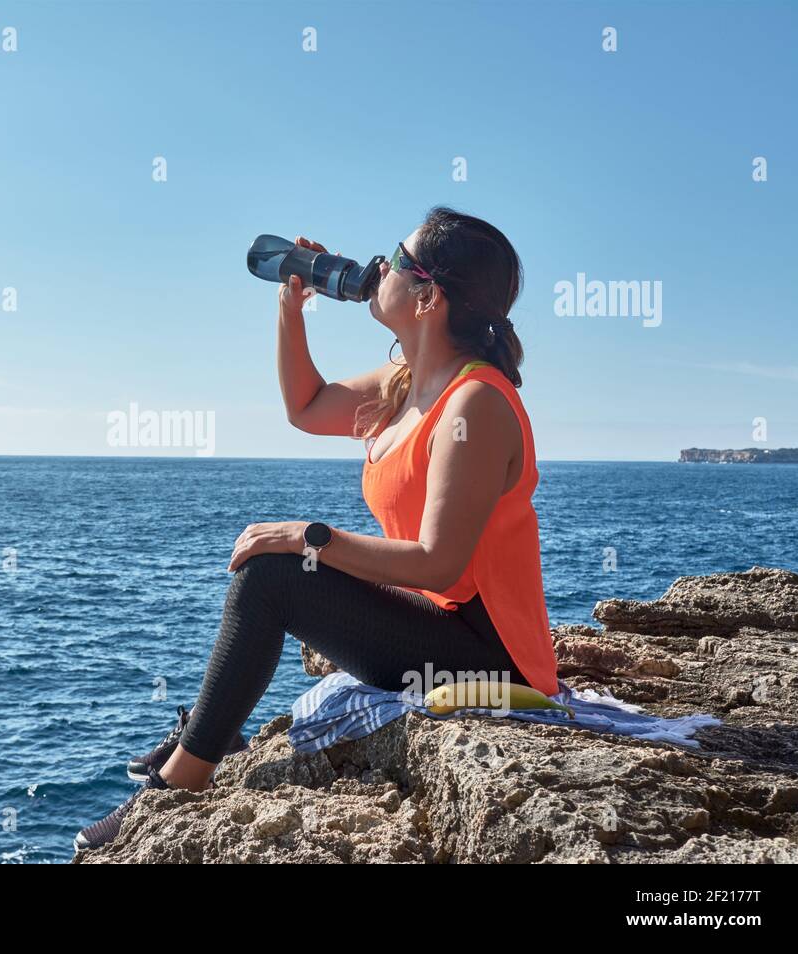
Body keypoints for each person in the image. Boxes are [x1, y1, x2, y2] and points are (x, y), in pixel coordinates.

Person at [74, 207, 559, 853]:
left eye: (397, 258)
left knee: (275, 574)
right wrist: (292, 308)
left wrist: (313, 537)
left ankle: (178, 781)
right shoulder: (405, 384)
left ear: (428, 297)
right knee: (275, 569)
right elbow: (305, 407)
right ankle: (212, 734)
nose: (378, 266)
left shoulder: (476, 403)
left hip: (494, 658)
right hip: (440, 626)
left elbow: (438, 562)